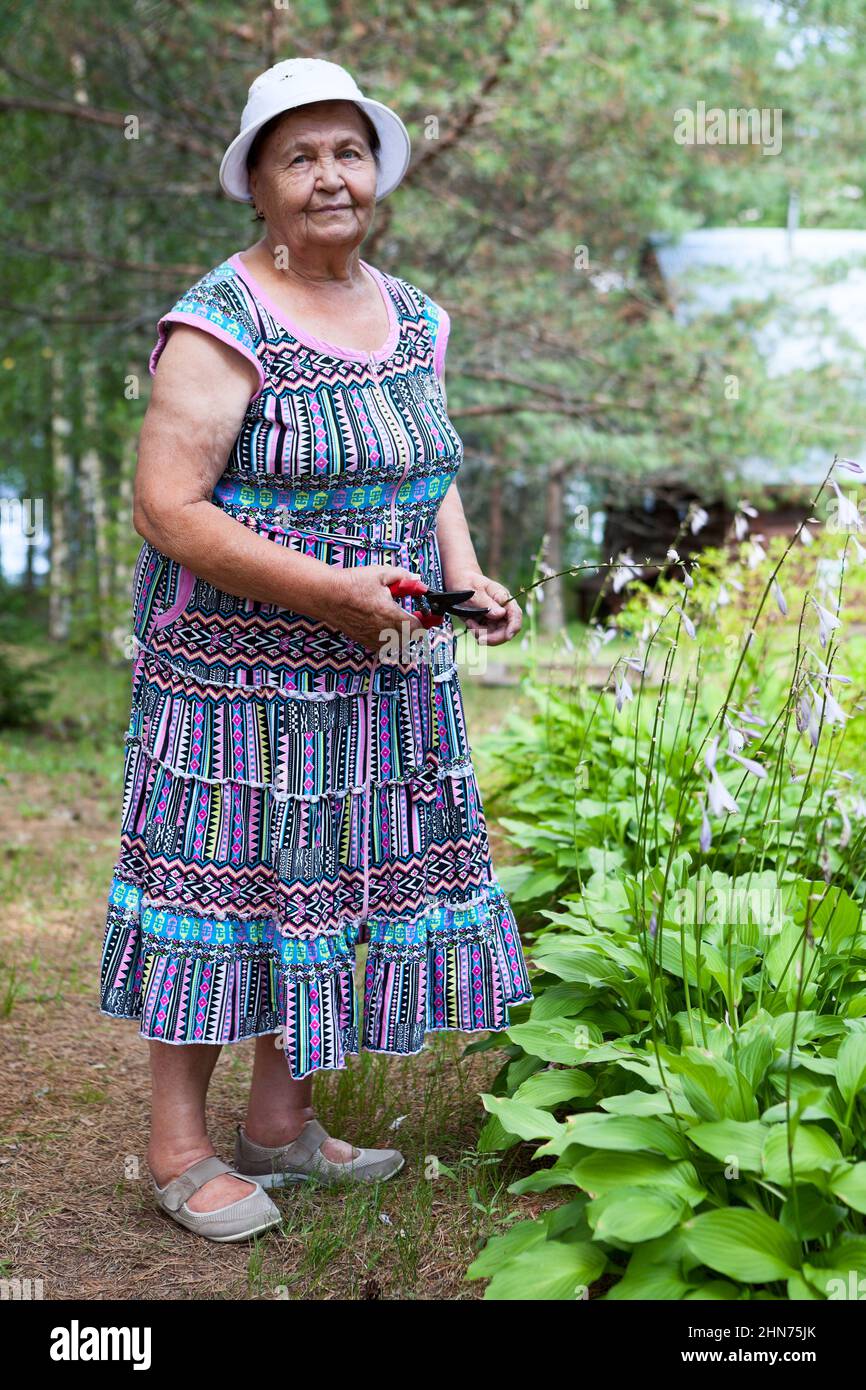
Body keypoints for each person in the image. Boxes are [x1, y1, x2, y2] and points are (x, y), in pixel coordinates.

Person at [99, 57, 533, 1242]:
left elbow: (426, 470)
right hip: (236, 686)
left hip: (380, 678)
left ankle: (281, 1126)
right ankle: (177, 1150)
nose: (328, 177)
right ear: (258, 183)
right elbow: (167, 508)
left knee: (332, 886)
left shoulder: (416, 315)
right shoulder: (222, 318)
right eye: (299, 156)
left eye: (348, 152)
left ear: (378, 172)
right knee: (222, 885)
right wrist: (327, 593)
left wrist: (462, 582)